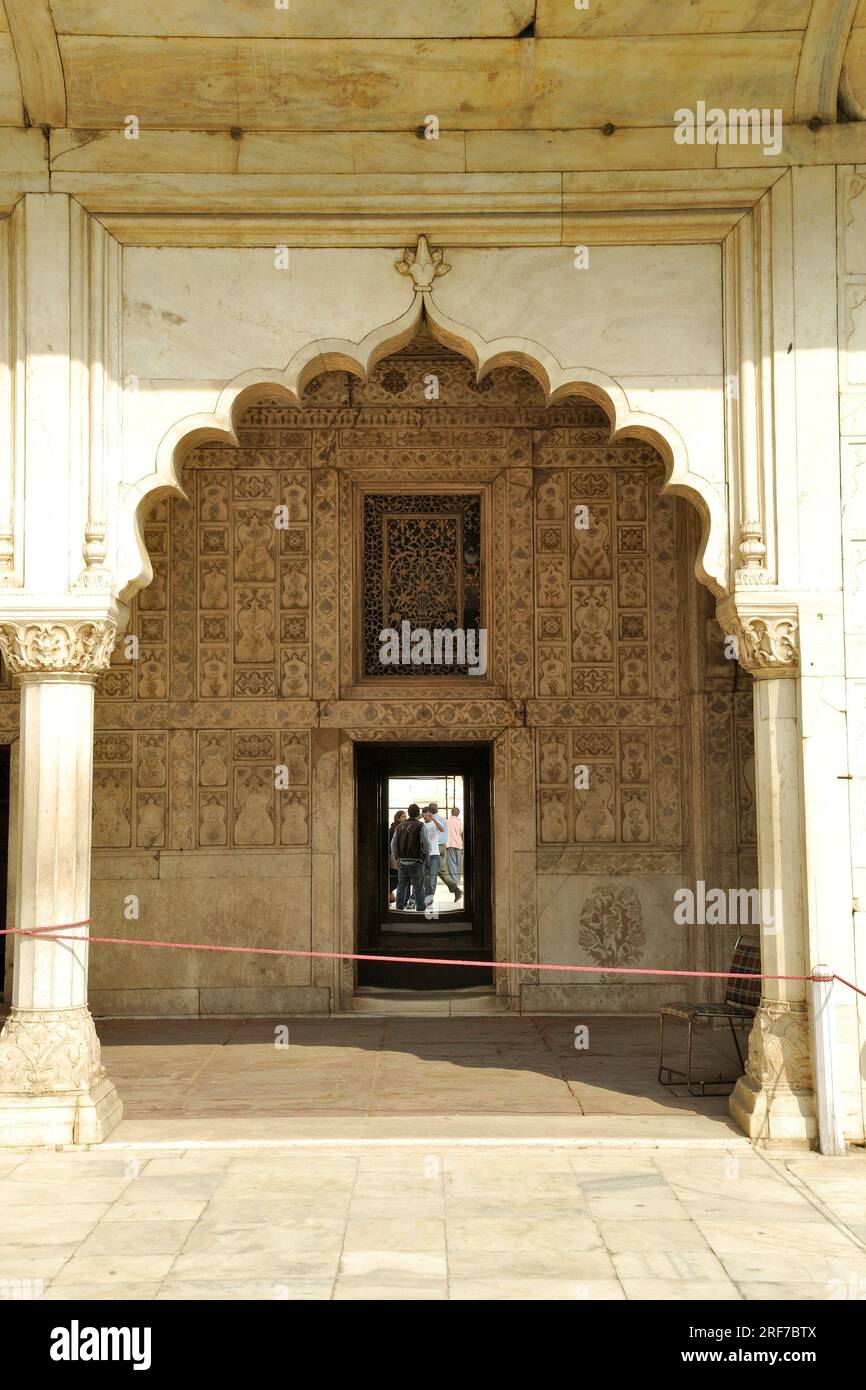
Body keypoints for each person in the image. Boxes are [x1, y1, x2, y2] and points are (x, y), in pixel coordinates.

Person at [392, 803, 428, 912]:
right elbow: (425, 844)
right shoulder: (420, 826)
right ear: (418, 813)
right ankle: (420, 907)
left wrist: (397, 857)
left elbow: (393, 844)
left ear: (408, 813)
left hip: (402, 861)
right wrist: (425, 858)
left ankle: (399, 907)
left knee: (401, 886)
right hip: (416, 861)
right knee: (419, 887)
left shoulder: (399, 826)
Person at [422, 805, 461, 904]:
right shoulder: (442, 819)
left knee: (435, 874)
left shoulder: (436, 820)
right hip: (442, 846)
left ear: (431, 812)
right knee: (440, 872)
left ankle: (454, 890)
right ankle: (455, 889)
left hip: (437, 848)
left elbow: (442, 830)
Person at [388, 810, 406, 905]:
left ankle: (389, 894)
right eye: (403, 817)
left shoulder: (398, 827)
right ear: (398, 818)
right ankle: (388, 893)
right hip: (394, 856)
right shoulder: (395, 829)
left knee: (397, 877)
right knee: (396, 877)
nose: (405, 819)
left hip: (397, 856)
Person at [446, 806, 464, 884]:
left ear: (451, 813)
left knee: (451, 862)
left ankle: (454, 879)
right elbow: (462, 833)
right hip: (459, 844)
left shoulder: (447, 821)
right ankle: (458, 878)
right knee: (458, 863)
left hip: (450, 843)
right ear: (458, 814)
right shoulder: (460, 822)